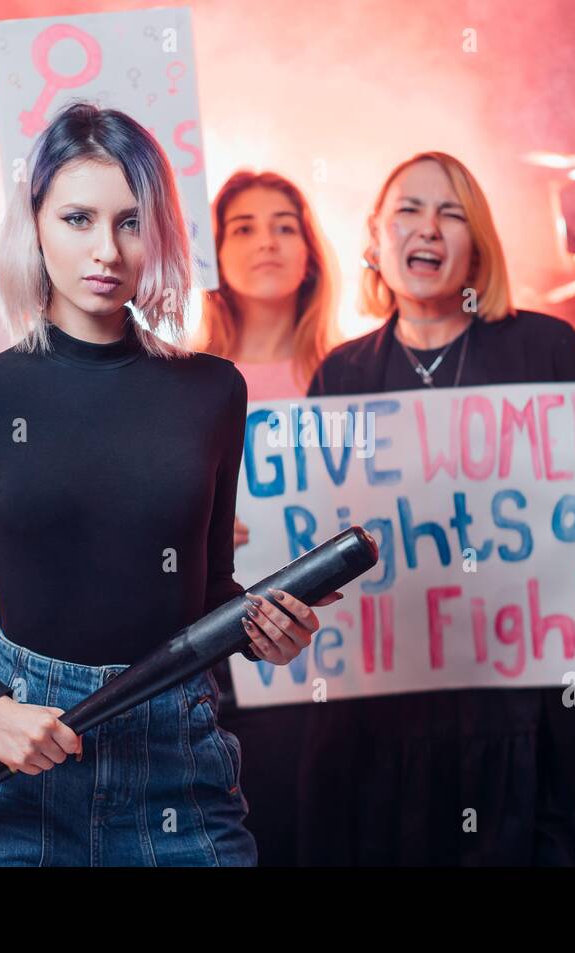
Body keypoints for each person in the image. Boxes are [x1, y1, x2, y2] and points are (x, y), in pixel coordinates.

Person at [0, 103, 339, 867]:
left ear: (158, 231)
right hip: (17, 750)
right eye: (78, 218)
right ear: (36, 225)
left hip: (174, 751)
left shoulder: (213, 390)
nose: (106, 249)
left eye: (130, 221)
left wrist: (262, 629)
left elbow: (206, 584)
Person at [298, 151, 575, 866]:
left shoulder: (545, 348)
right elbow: (319, 539)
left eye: (452, 213)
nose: (430, 229)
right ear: (375, 237)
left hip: (531, 719)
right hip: (387, 724)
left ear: (477, 244)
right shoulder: (342, 374)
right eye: (410, 211)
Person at [196, 169, 340, 865]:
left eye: (286, 225)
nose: (268, 242)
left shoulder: (353, 374)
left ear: (311, 251)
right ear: (214, 252)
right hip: (235, 664)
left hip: (355, 665)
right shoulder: (184, 382)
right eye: (244, 227)